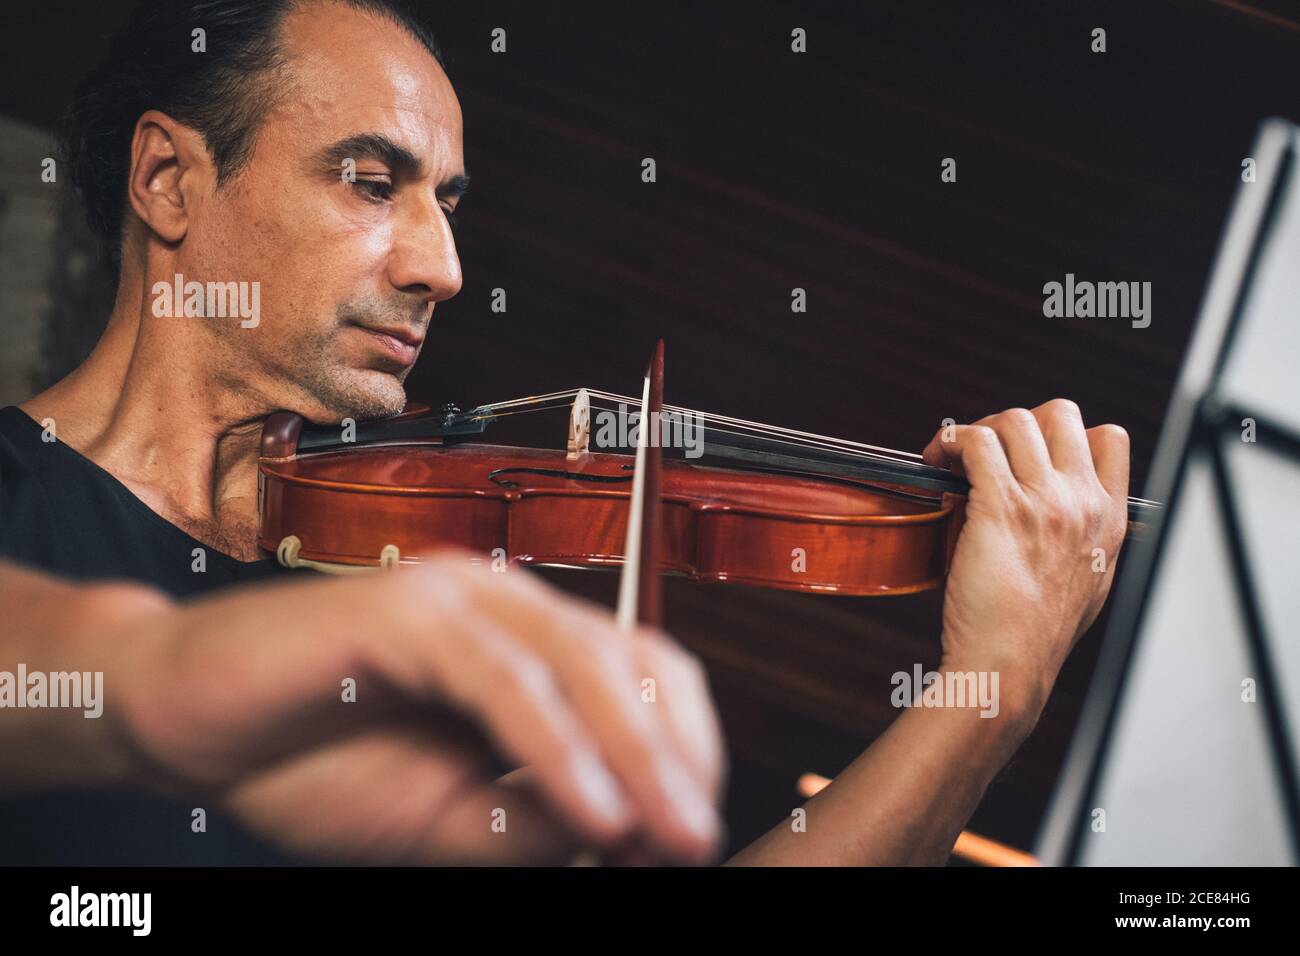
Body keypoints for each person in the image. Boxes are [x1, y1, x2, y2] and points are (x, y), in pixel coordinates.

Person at [0, 0, 1131, 865]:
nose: (441, 267)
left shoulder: (402, 594)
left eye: (445, 202)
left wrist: (991, 686)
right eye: (370, 181)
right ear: (168, 179)